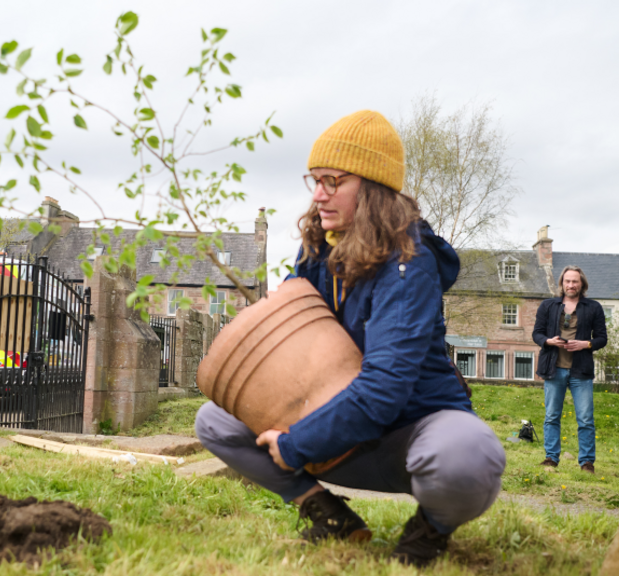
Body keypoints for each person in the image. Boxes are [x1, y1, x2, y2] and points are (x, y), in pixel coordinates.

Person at [195, 110, 506, 568]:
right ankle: (327, 514)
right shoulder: (317, 252)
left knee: (468, 453)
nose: (318, 194)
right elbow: (290, 320)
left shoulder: (409, 264)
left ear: (373, 187)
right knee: (215, 421)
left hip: (409, 437)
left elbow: (384, 389)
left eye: (332, 181)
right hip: (338, 442)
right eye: (314, 180)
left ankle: (430, 529)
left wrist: (296, 443)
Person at [532, 265, 607, 473]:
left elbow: (602, 338)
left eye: (575, 281)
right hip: (553, 369)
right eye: (567, 281)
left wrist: (586, 344)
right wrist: (549, 341)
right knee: (551, 416)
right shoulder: (548, 306)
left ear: (581, 283)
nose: (571, 285)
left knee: (585, 419)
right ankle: (551, 458)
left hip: (581, 370)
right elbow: (536, 334)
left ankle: (586, 462)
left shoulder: (593, 307)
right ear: (562, 283)